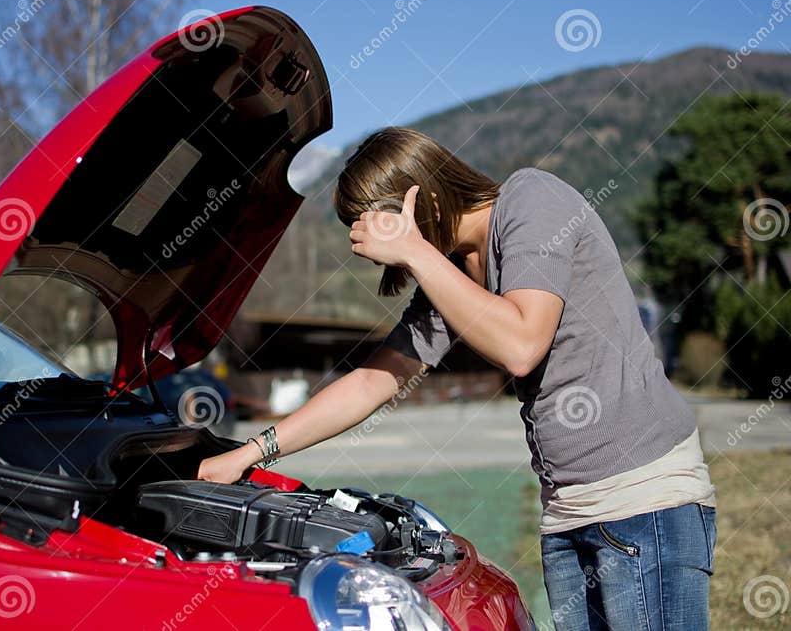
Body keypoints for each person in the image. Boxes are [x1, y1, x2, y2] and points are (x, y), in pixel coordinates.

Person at [198, 127, 716, 630]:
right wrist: (250, 453)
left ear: (419, 200)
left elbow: (521, 346)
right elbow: (371, 382)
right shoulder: (450, 274)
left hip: (642, 500)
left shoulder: (532, 199)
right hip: (566, 511)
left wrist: (416, 253)